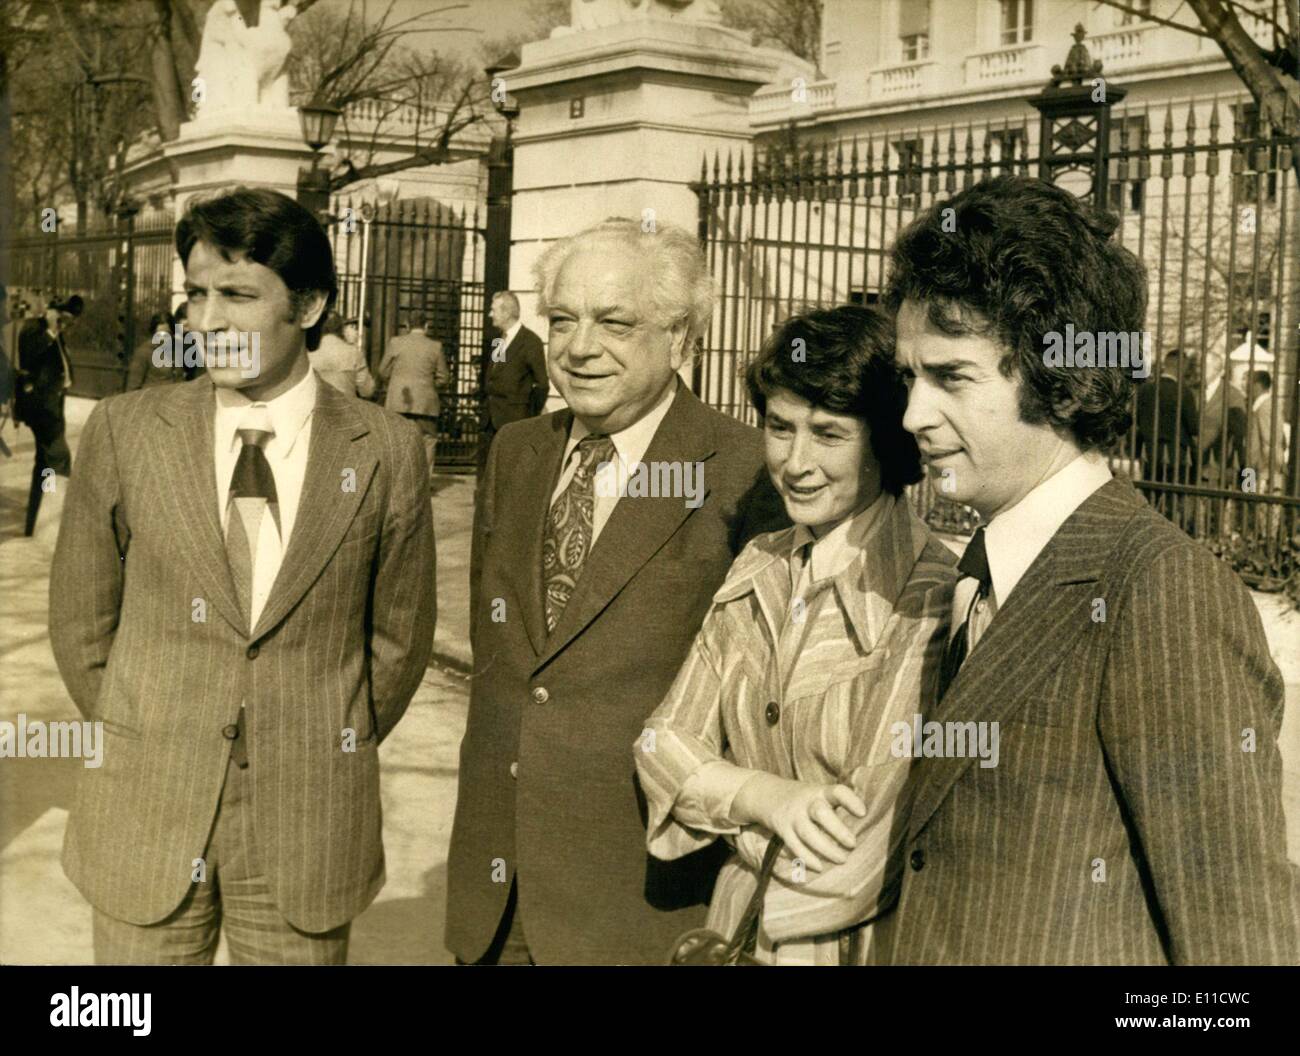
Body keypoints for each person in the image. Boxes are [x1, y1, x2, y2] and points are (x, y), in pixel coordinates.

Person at [874, 175, 1300, 965]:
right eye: (909, 376)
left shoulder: (1159, 589)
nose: (911, 415)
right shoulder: (979, 569)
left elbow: (1238, 948)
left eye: (951, 376)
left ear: (1057, 375)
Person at [49, 187, 437, 965]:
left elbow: (398, 642)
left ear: (311, 304)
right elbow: (81, 624)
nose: (208, 322)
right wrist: (156, 728)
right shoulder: (127, 432)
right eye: (197, 294)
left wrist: (312, 734)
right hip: (146, 809)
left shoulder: (386, 451)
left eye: (238, 295)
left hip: (306, 819)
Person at [445, 217, 787, 965]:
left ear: (683, 338)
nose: (577, 347)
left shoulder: (744, 470)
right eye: (562, 319)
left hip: (640, 900)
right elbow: (501, 652)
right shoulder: (517, 451)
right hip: (496, 892)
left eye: (613, 322)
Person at [636, 306, 955, 965]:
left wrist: (718, 796)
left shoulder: (930, 596)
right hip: (732, 927)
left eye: (829, 434)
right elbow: (658, 743)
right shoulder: (761, 561)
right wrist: (766, 798)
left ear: (887, 442)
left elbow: (864, 839)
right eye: (780, 428)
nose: (796, 462)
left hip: (846, 943)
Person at [15, 294, 82, 536]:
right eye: (64, 318)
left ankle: (37, 523)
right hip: (40, 408)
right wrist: (51, 330)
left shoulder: (55, 334)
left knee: (45, 465)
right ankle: (55, 522)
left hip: (53, 406)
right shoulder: (35, 329)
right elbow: (29, 355)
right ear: (53, 312)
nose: (67, 324)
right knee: (59, 459)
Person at [478, 291, 548, 474]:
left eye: (493, 310)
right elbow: (494, 375)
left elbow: (542, 385)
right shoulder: (498, 341)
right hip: (490, 421)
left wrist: (527, 414)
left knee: (510, 472)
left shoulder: (531, 342)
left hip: (514, 421)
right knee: (487, 473)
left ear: (507, 312)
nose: (490, 315)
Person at [379, 318, 450, 483]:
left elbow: (382, 371)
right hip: (426, 404)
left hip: (398, 401)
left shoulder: (396, 342)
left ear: (407, 326)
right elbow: (443, 377)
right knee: (427, 441)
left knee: (396, 441)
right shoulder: (436, 346)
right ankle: (421, 484)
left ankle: (397, 482)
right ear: (426, 326)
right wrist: (431, 386)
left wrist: (396, 381)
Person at [1134, 348, 1197, 525]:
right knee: (1174, 501)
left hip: (1151, 453)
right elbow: (1194, 428)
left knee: (1151, 499)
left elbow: (1137, 420)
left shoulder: (1146, 390)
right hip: (1177, 455)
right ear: (1181, 367)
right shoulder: (1183, 392)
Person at [309, 309, 376, 399]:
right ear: (341, 328)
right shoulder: (353, 352)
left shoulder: (307, 353)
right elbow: (367, 390)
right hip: (346, 408)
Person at [125, 311, 185, 391]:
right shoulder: (143, 353)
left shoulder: (176, 351)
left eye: (167, 334)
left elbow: (180, 379)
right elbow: (132, 388)